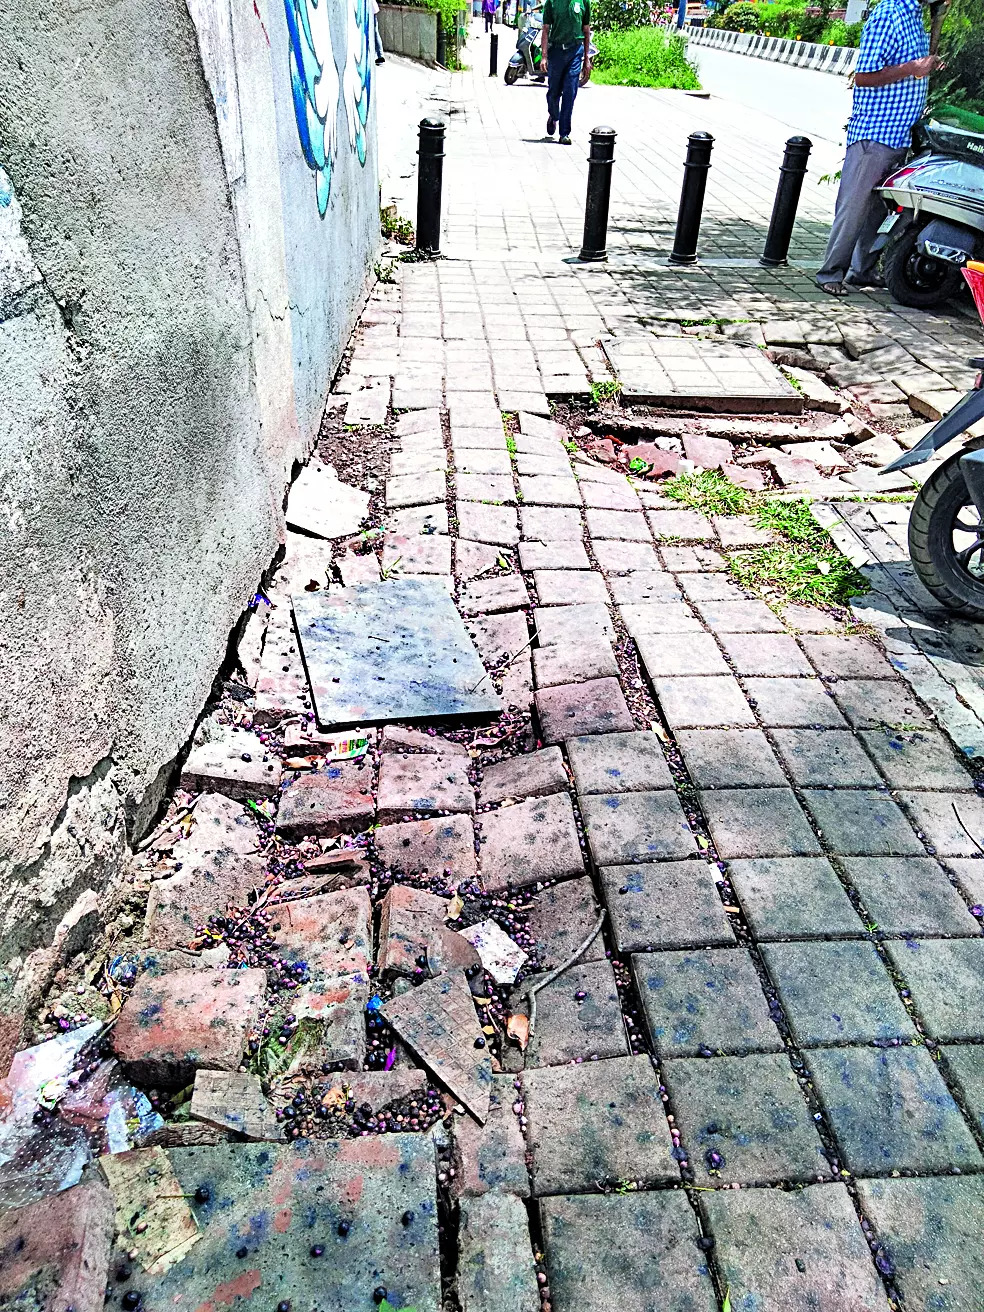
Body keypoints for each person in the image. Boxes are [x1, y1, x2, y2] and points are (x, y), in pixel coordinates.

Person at [815, 0, 942, 295]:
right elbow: (863, 76)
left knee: (877, 212)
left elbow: (911, 69)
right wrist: (911, 68)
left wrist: (923, 66)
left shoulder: (915, 15)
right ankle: (830, 273)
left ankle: (862, 271)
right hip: (875, 134)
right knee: (854, 208)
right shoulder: (888, 15)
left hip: (898, 134)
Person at [541, 0, 591, 145]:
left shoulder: (583, 2)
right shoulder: (552, 2)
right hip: (556, 51)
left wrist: (586, 58)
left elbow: (586, 29)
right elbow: (545, 28)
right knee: (553, 92)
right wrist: (544, 56)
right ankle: (553, 115)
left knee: (570, 91)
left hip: (575, 51)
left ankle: (564, 133)